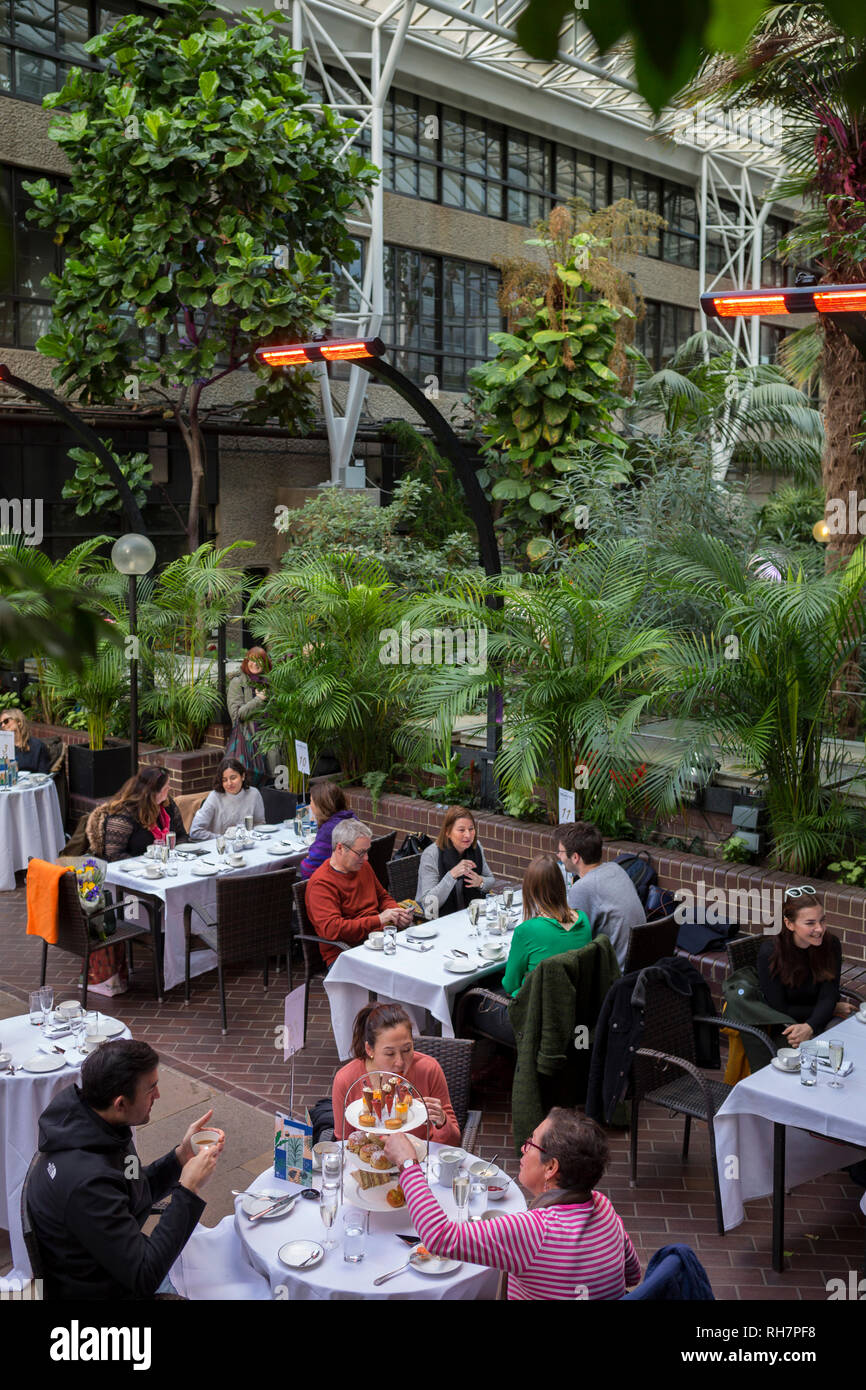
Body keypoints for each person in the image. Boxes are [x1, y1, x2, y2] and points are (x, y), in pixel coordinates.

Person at [27, 1039, 222, 1300]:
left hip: (115, 1259)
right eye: (151, 1089)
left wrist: (180, 1157)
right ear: (120, 1103)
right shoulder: (88, 1183)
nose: (158, 1095)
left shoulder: (103, 1128)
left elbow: (133, 1184)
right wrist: (187, 1190)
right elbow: (144, 1276)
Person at [383, 1108, 640, 1301]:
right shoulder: (604, 1206)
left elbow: (440, 1238)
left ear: (551, 1168)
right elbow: (633, 1275)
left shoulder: (536, 1230)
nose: (522, 1147)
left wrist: (408, 1164)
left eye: (532, 1143)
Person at [333, 1002, 461, 1145]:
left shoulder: (429, 1070)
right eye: (389, 1053)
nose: (400, 1062)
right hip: (370, 1164)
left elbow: (454, 1141)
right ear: (369, 1049)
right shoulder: (346, 1079)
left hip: (420, 1161)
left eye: (407, 1050)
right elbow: (343, 1142)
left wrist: (442, 1121)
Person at [305, 818, 412, 966]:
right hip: (346, 953)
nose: (366, 858)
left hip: (378, 940)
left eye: (367, 851)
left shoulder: (363, 867)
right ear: (340, 848)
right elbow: (332, 929)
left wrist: (396, 912)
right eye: (361, 852)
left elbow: (382, 897)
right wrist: (379, 919)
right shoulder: (322, 884)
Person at [757, 889, 856, 1046]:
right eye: (810, 923)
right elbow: (779, 1008)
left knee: (849, 1043)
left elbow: (828, 995)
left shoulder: (831, 944)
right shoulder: (771, 952)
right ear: (789, 924)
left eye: (822, 920)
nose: (820, 929)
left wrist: (811, 1025)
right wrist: (832, 1008)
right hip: (788, 1026)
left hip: (822, 1018)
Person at [556, 821, 645, 969]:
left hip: (614, 974)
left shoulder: (582, 888)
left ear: (575, 857)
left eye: (561, 852)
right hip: (638, 966)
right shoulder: (615, 868)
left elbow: (571, 939)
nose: (558, 855)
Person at [501, 854, 592, 998]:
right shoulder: (583, 919)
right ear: (560, 885)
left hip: (534, 1013)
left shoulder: (526, 931)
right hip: (577, 1005)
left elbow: (510, 985)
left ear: (530, 889)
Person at [86, 765, 188, 862]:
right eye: (166, 787)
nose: (169, 789)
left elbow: (181, 835)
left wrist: (175, 854)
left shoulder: (167, 805)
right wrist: (146, 863)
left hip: (166, 864)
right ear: (153, 793)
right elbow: (114, 854)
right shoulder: (123, 815)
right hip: (135, 872)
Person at [417, 806, 495, 915]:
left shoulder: (476, 847)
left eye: (471, 829)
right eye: (461, 830)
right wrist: (452, 875)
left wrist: (480, 882)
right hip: (438, 920)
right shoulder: (432, 854)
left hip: (470, 915)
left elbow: (491, 880)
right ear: (448, 832)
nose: (468, 835)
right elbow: (429, 904)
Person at [226, 646, 275, 780]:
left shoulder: (272, 682)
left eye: (259, 660)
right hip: (249, 741)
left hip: (272, 739)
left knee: (276, 782)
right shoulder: (237, 683)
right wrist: (258, 700)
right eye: (251, 660)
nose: (255, 664)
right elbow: (237, 716)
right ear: (246, 662)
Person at [189, 757, 266, 841]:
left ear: (243, 776)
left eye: (233, 778)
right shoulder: (214, 797)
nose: (229, 783)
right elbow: (195, 831)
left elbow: (260, 825)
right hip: (220, 848)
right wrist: (223, 838)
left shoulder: (254, 794)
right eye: (224, 780)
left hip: (248, 844)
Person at [298, 780, 356, 880]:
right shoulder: (353, 819)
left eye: (311, 801)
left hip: (334, 885)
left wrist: (305, 862)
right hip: (352, 878)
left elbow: (309, 869)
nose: (310, 805)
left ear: (321, 806)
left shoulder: (329, 830)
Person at [0, 707, 51, 773]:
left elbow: (44, 774)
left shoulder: (37, 746)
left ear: (19, 722)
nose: (3, 725)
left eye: (6, 721)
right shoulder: (4, 747)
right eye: (0, 724)